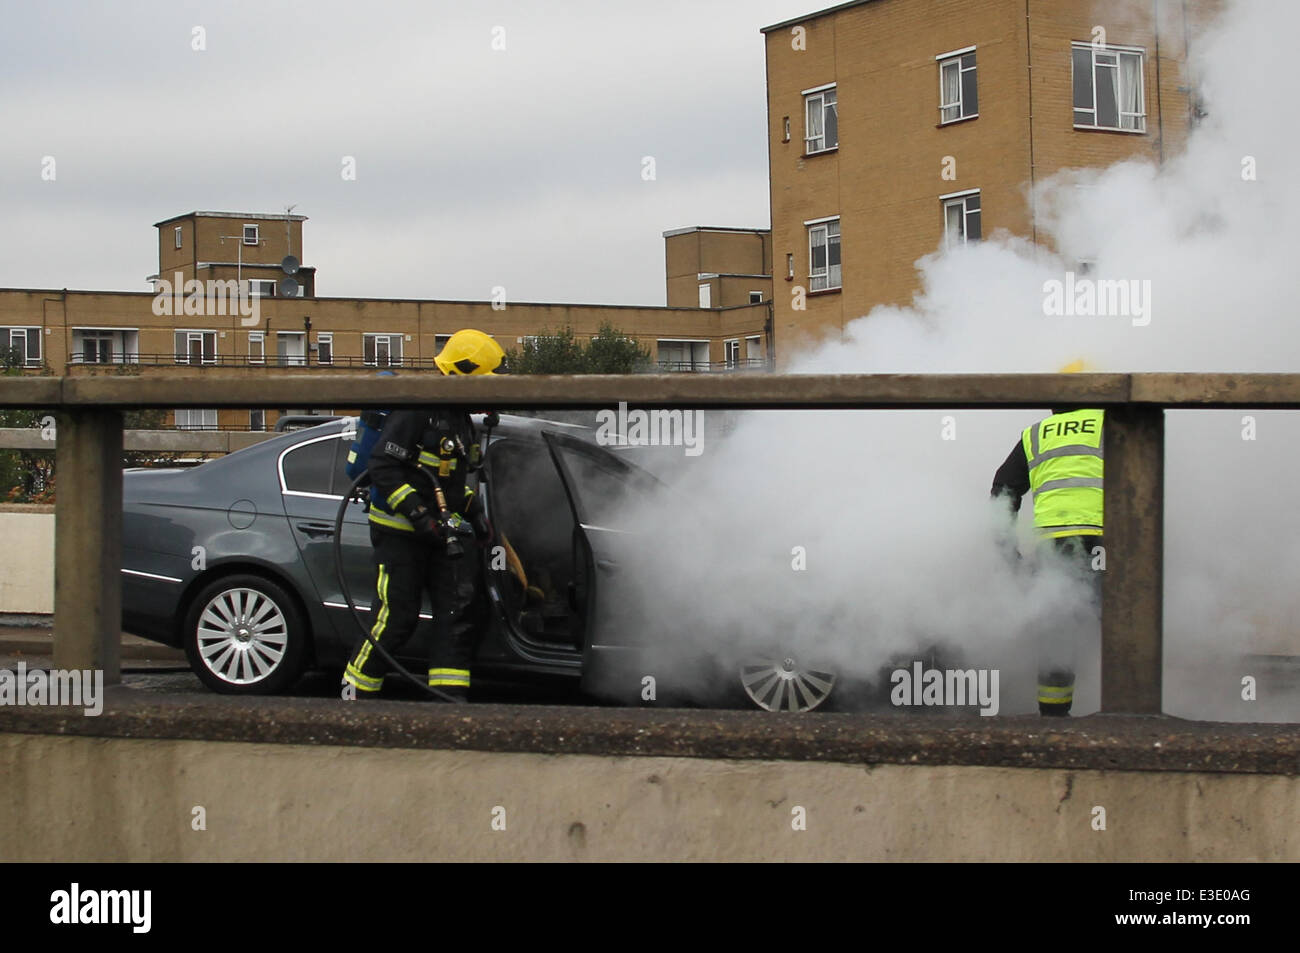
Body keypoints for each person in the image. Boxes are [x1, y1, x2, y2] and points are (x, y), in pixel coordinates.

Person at [342, 329, 504, 701]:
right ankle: (354, 698)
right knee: (396, 618)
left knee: (456, 617)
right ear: (463, 374)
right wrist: (418, 516)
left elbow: (444, 481)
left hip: (439, 532)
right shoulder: (418, 406)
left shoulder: (460, 418)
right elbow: (383, 465)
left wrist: (473, 511)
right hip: (399, 531)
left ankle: (448, 705)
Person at [990, 407, 1104, 717]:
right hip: (1106, 541)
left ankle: (1054, 723)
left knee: (1058, 632)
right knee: (1121, 624)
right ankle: (1128, 719)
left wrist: (1006, 547)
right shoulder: (1109, 423)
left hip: (1053, 547)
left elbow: (1004, 487)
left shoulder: (1036, 434)